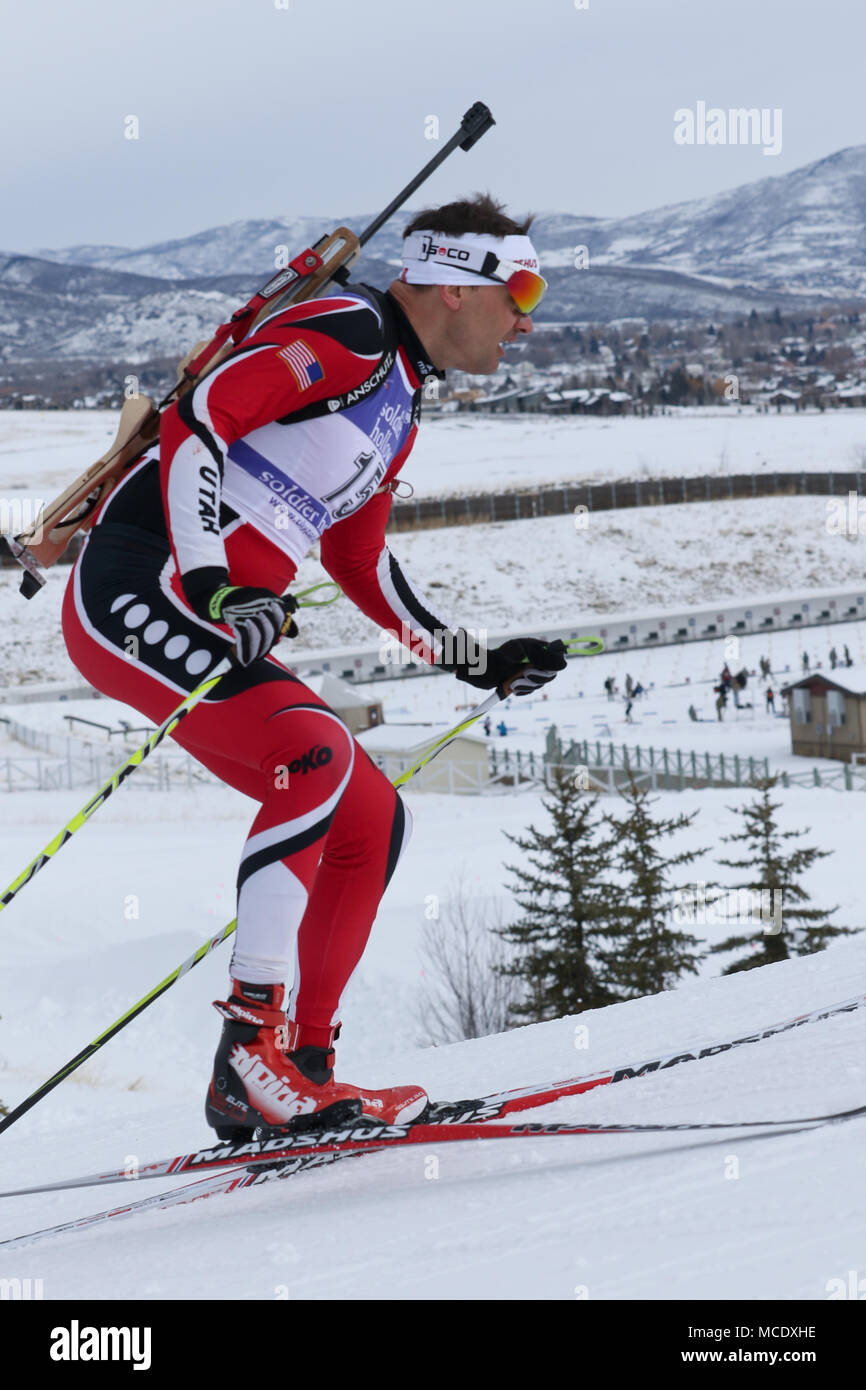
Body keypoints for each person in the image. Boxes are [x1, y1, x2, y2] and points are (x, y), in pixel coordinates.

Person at [61, 194, 566, 1139]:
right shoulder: (347, 330)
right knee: (317, 756)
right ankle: (249, 1054)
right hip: (141, 584)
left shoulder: (399, 400)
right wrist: (215, 585)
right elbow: (206, 418)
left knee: (371, 818)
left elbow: (359, 563)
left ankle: (302, 1066)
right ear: (455, 286)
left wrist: (474, 659)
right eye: (521, 288)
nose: (528, 318)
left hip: (207, 607)